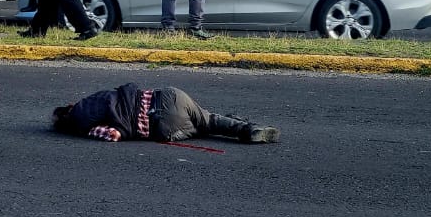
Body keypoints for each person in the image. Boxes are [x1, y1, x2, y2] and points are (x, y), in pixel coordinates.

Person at [52, 82, 279, 144]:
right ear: (70, 105)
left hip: (161, 125)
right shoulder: (97, 97)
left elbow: (114, 135)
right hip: (169, 96)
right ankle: (245, 126)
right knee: (208, 119)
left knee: (205, 128)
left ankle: (242, 128)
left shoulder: (83, 125)